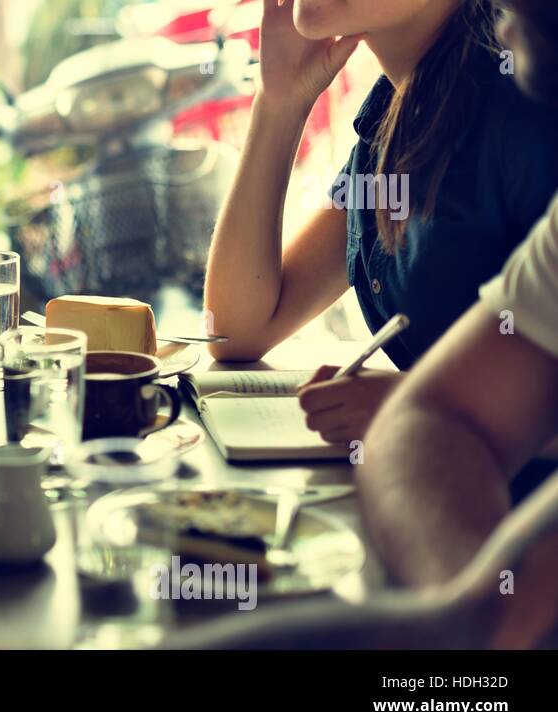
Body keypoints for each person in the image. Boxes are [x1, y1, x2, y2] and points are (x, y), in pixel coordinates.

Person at [203, 0, 558, 445]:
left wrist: (416, 405)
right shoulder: (395, 118)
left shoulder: (528, 102)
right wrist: (280, 103)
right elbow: (234, 330)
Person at [355, 0, 558, 639]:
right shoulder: (391, 126)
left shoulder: (517, 124)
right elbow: (433, 419)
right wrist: (489, 627)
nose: (499, 18)